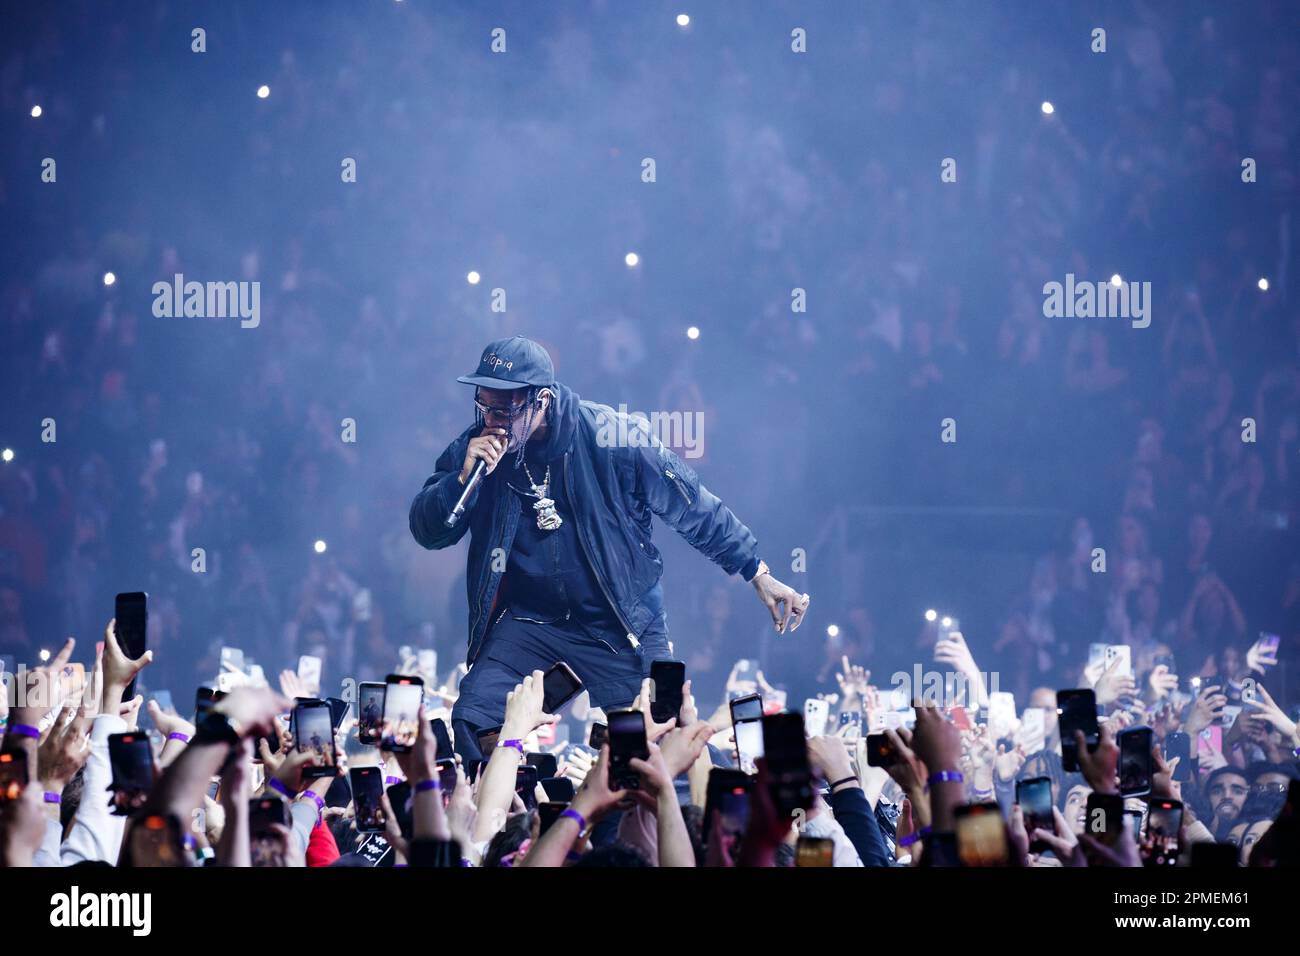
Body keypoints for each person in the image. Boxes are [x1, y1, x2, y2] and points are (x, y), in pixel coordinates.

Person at [409, 337, 812, 764]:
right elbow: (428, 531)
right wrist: (460, 483)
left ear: (541, 399)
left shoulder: (613, 436)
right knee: (475, 717)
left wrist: (756, 570)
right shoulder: (475, 450)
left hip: (621, 619)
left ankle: (732, 787)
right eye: (483, 406)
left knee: (661, 738)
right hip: (531, 622)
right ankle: (516, 816)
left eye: (503, 410)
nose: (492, 421)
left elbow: (692, 504)